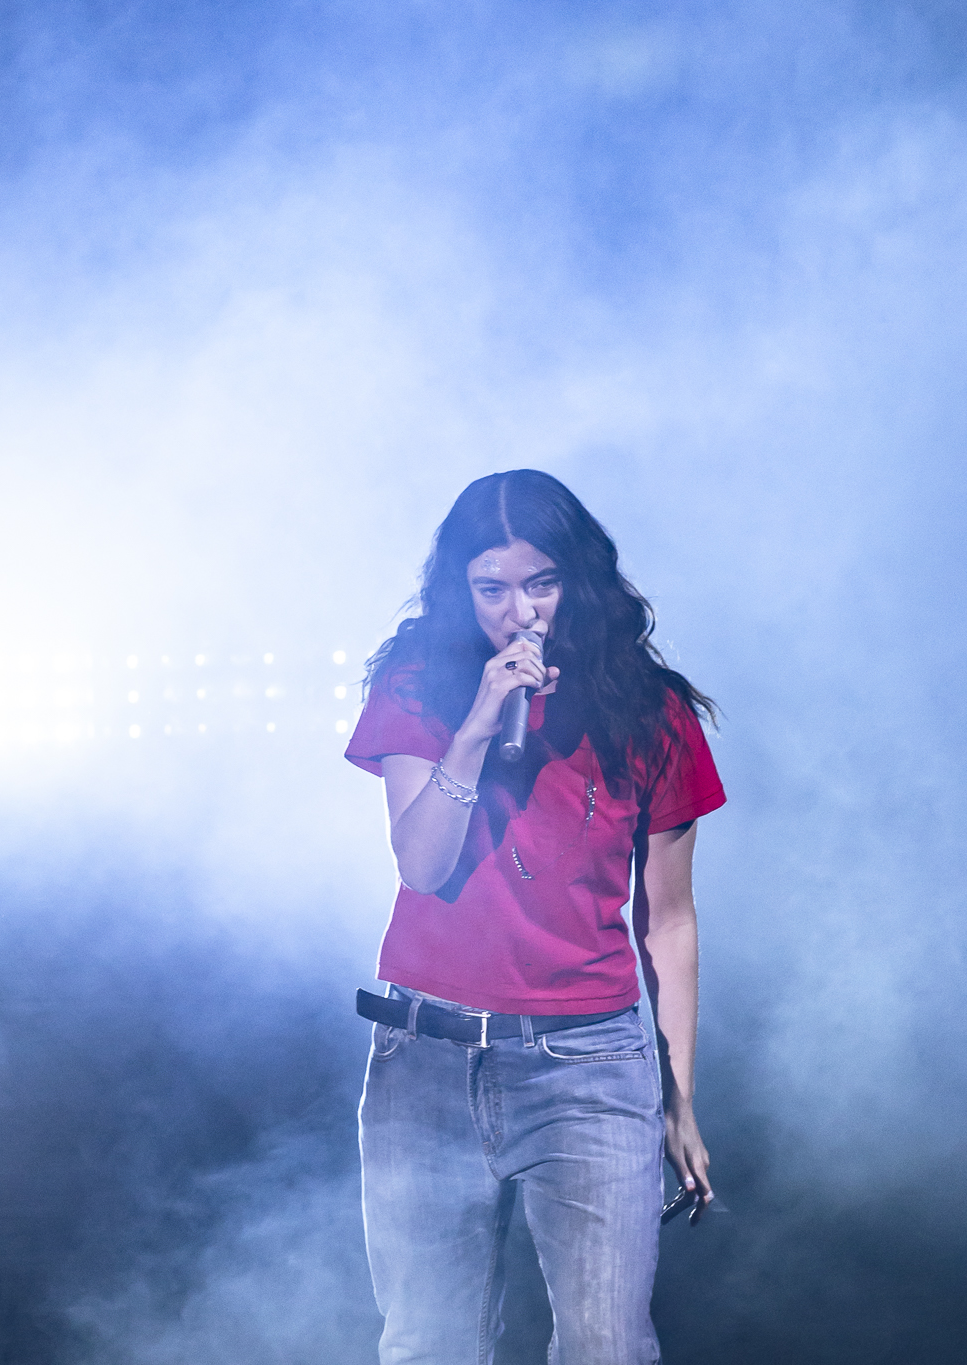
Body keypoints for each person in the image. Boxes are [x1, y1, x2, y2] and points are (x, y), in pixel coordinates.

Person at [345, 469, 725, 1364]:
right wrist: (478, 721)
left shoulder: (652, 712)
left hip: (586, 1066)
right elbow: (423, 863)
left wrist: (681, 1096)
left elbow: (668, 921)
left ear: (577, 580)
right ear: (460, 590)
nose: (519, 611)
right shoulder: (417, 683)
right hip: (425, 1063)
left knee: (606, 1345)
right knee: (427, 1344)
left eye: (540, 583)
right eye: (491, 588)